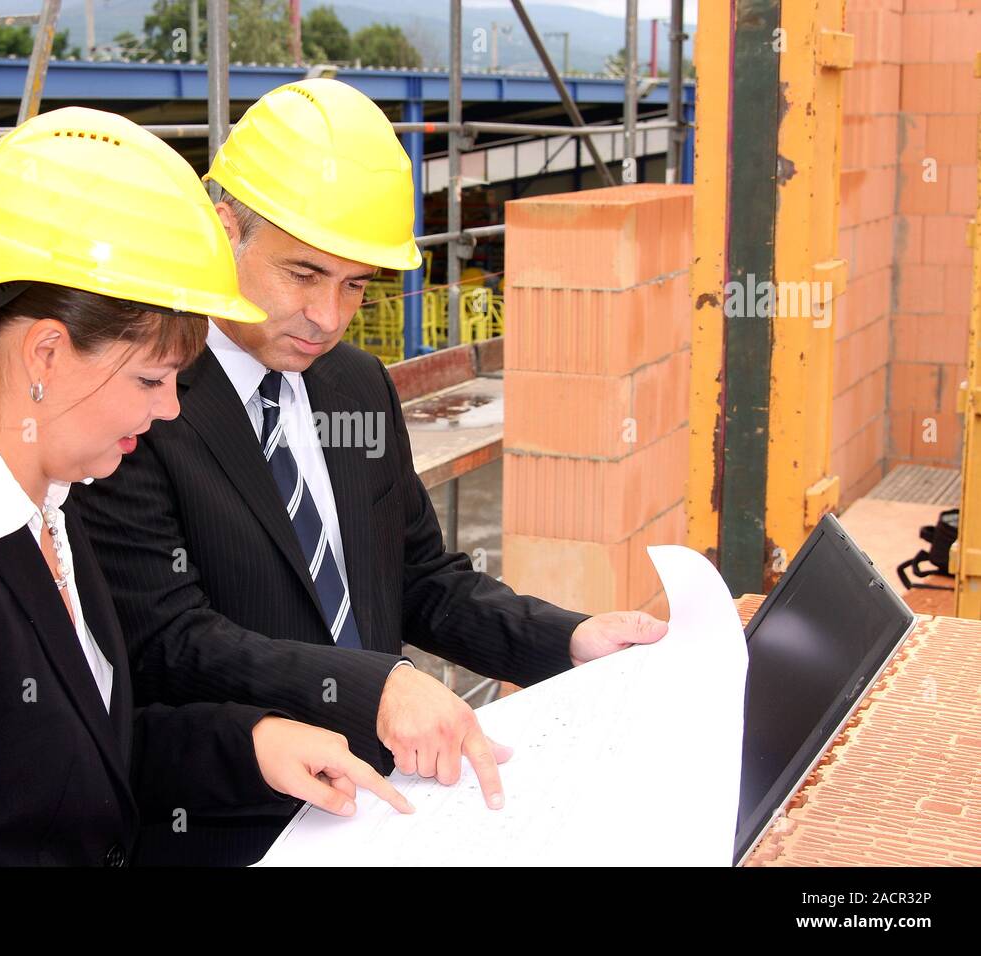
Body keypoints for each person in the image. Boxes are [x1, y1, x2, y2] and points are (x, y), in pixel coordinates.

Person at [0, 106, 410, 867]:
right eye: (151, 376)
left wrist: (249, 743)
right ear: (44, 354)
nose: (171, 407)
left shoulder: (45, 510)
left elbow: (79, 753)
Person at [73, 80, 669, 865]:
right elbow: (168, 643)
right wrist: (375, 688)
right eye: (303, 274)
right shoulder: (139, 405)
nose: (330, 316)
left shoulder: (353, 383)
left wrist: (569, 641)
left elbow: (422, 578)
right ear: (223, 233)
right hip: (236, 827)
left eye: (355, 284)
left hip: (388, 809)